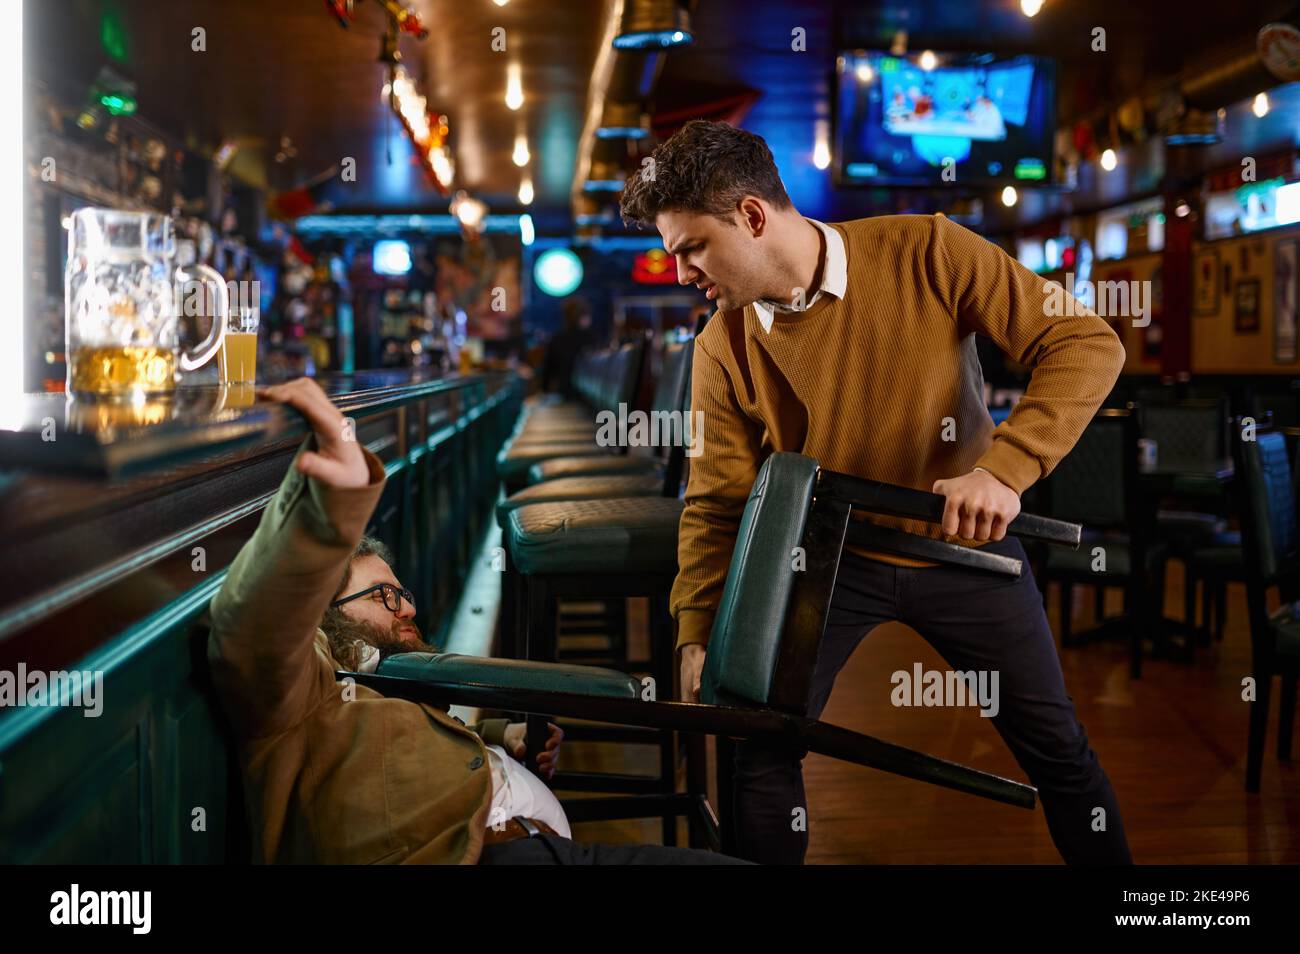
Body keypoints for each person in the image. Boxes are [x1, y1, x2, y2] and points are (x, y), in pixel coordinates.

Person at [618, 119, 1133, 865]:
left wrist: (1005, 470)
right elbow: (717, 501)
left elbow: (1086, 342)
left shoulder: (928, 249)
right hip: (823, 561)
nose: (682, 272)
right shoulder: (720, 347)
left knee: (1059, 752)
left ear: (752, 218)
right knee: (758, 748)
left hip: (965, 544)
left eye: (691, 248)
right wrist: (698, 629)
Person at [207, 377, 746, 865]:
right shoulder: (297, 690)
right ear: (322, 620)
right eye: (384, 597)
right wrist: (332, 497)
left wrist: (496, 737)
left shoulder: (376, 695)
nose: (409, 608)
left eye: (403, 594)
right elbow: (255, 630)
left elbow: (393, 740)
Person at [540, 297, 594, 398]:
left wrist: (544, 392)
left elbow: (548, 369)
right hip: (587, 397)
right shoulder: (591, 339)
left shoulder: (558, 338)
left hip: (565, 393)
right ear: (584, 316)